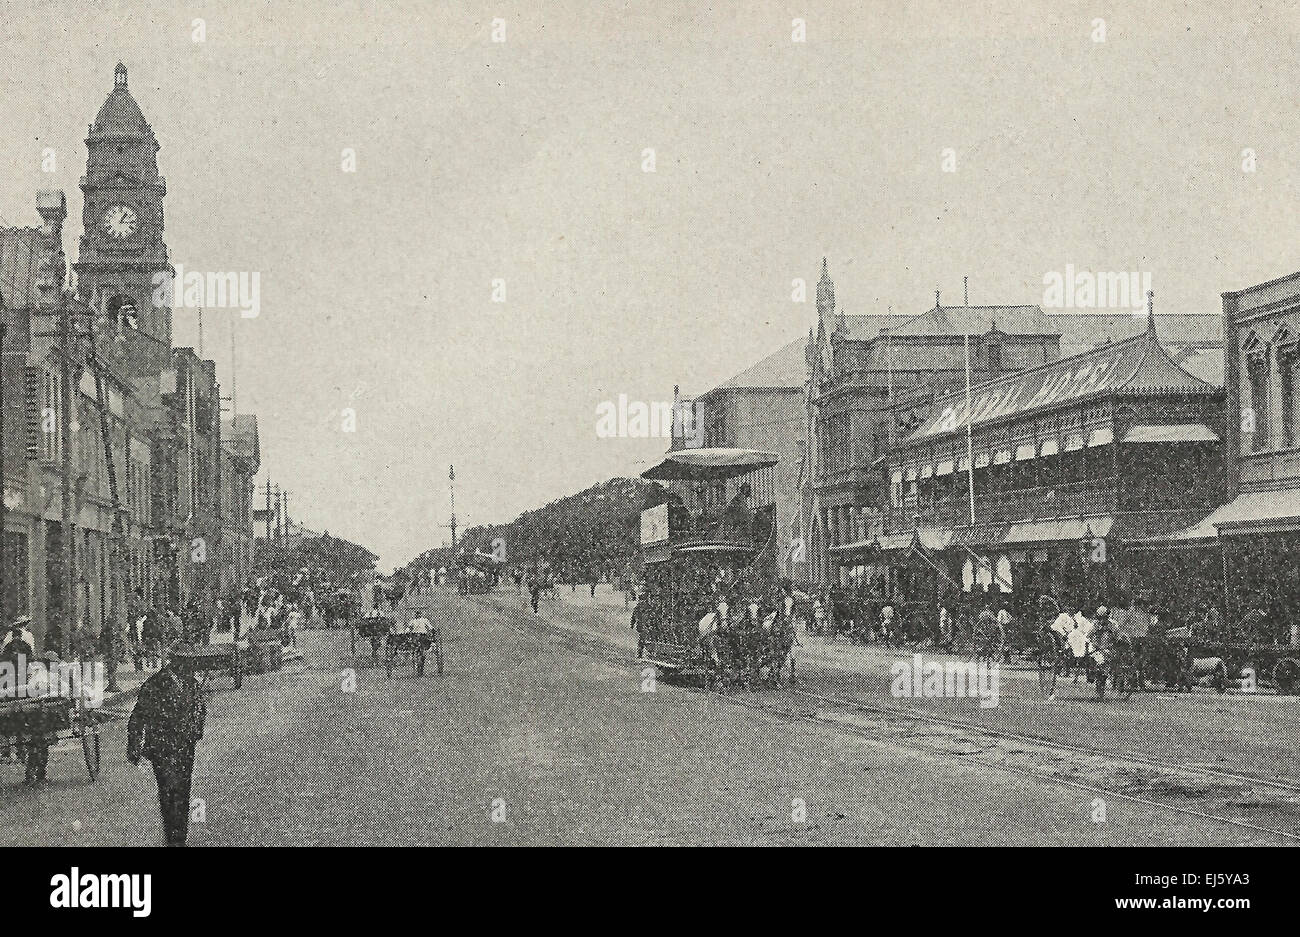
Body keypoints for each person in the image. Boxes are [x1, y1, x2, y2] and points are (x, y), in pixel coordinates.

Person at [127, 647, 207, 846]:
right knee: (168, 789)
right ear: (176, 662)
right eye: (188, 662)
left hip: (185, 747)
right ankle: (173, 838)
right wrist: (134, 745)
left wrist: (196, 731)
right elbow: (138, 716)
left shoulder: (192, 684)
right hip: (161, 747)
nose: (192, 666)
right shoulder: (155, 684)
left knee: (183, 789)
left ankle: (180, 837)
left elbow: (200, 709)